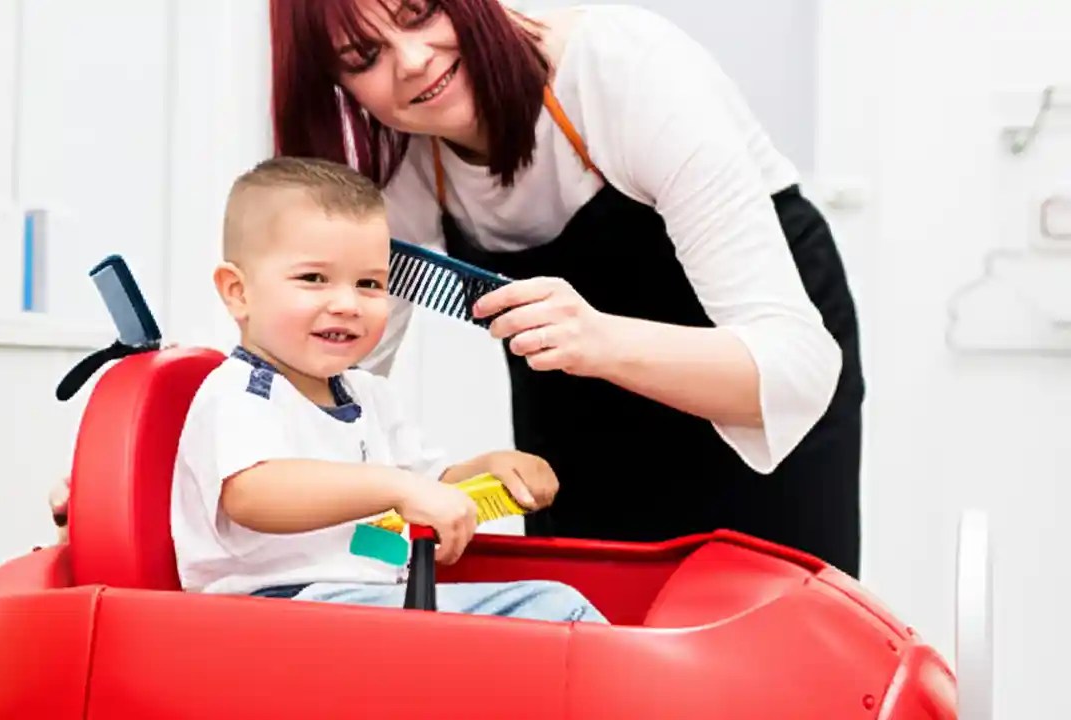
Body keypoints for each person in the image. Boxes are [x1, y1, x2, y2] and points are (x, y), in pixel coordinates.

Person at [265, 0, 866, 577]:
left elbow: (798, 374)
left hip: (753, 382)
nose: (414, 60)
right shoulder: (401, 165)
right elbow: (324, 395)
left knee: (772, 640)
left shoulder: (627, 71)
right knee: (596, 635)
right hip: (577, 412)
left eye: (421, 14)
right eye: (365, 55)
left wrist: (598, 340)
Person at [165, 155, 607, 622]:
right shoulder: (239, 392)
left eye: (370, 283)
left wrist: (491, 467)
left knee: (547, 604)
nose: (347, 303)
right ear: (238, 292)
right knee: (553, 611)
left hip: (364, 604)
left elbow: (427, 484)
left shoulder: (366, 395)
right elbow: (252, 493)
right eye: (313, 279)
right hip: (276, 613)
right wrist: (394, 488)